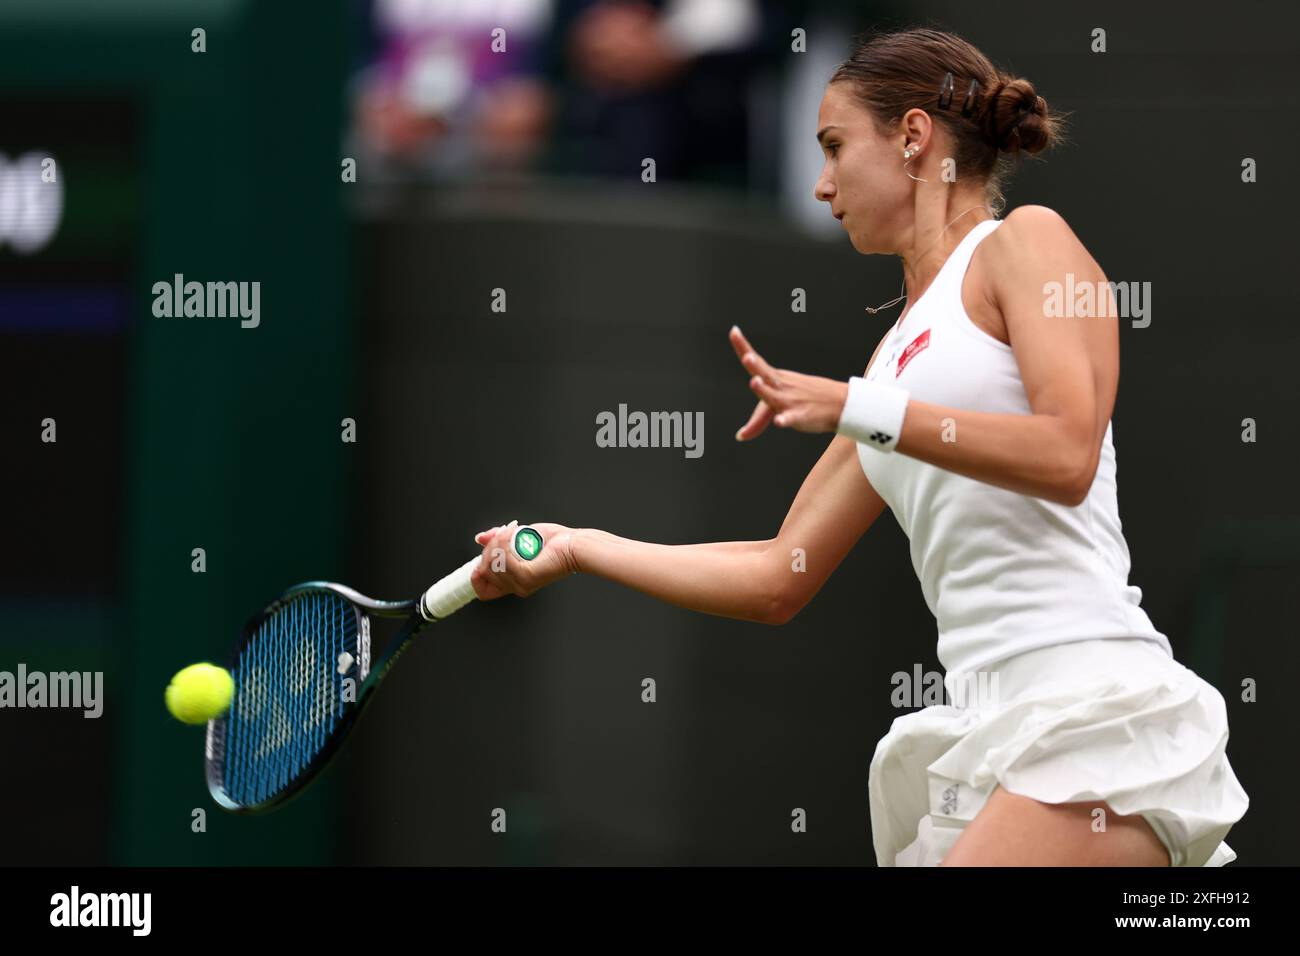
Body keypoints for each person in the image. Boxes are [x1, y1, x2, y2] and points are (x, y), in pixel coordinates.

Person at [464, 27, 1250, 867]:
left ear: (913, 138)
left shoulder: (1028, 245)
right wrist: (582, 547)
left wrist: (864, 409)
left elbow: (1067, 456)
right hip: (990, 732)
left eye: (836, 147)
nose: (822, 182)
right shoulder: (890, 362)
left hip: (1090, 714)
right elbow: (777, 577)